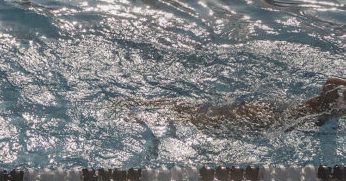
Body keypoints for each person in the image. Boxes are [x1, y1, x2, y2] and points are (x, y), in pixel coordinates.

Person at [127, 77, 346, 130]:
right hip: (269, 118)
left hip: (266, 113)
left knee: (199, 115)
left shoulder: (325, 109)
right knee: (200, 119)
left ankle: (140, 106)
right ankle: (143, 112)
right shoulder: (325, 110)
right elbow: (330, 84)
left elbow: (330, 84)